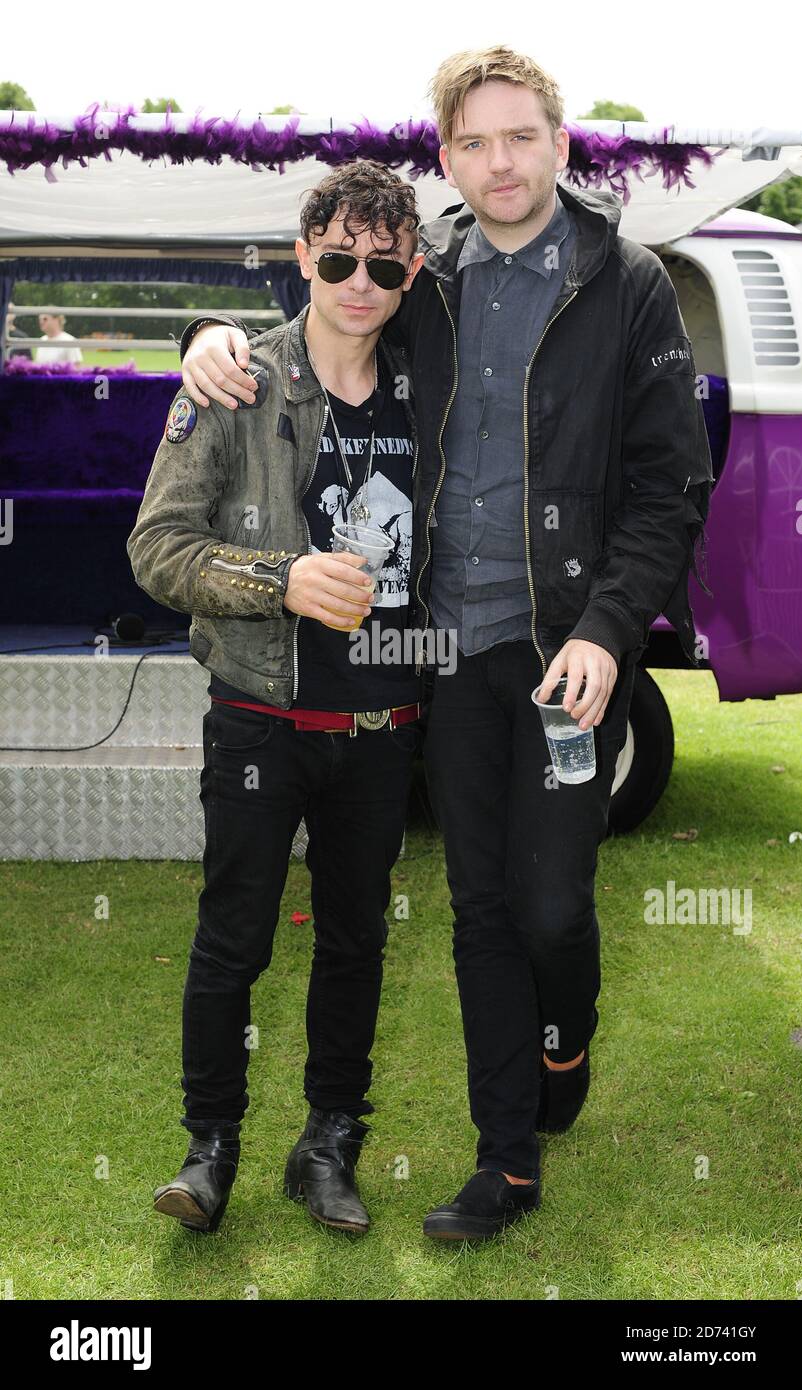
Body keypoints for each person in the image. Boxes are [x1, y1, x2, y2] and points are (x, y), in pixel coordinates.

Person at [177, 45, 714, 1243]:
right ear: (446, 159)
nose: (497, 161)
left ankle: (563, 1035)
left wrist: (610, 633)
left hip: (567, 648)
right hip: (450, 654)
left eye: (518, 136)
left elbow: (669, 485)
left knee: (550, 909)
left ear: (559, 144)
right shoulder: (430, 276)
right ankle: (504, 1165)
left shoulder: (623, 284)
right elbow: (327, 311)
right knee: (476, 907)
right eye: (471, 143)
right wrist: (213, 331)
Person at [128, 161, 425, 1236]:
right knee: (233, 938)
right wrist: (278, 580)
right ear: (303, 257)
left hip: (382, 727)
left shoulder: (428, 387)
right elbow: (156, 547)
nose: (358, 281)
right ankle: (209, 1151)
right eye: (337, 257)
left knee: (356, 941)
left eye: (381, 262)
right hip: (258, 712)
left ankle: (328, 1143)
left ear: (409, 270)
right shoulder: (236, 381)